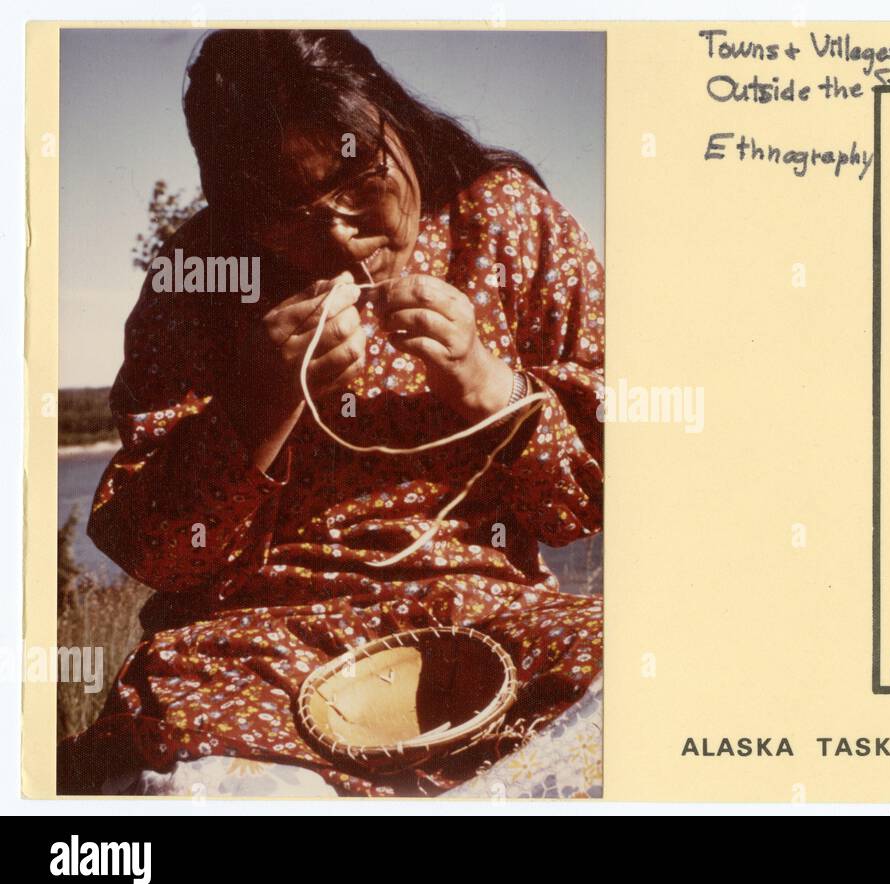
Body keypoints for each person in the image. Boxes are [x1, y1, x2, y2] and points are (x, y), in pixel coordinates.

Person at [58, 29, 604, 797]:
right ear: (238, 209)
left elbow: (596, 497)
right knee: (192, 775)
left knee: (637, 693)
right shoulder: (201, 274)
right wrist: (256, 406)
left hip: (491, 624)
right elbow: (158, 554)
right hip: (255, 652)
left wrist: (493, 387)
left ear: (394, 124)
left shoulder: (509, 221)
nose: (343, 241)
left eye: (358, 186)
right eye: (288, 213)